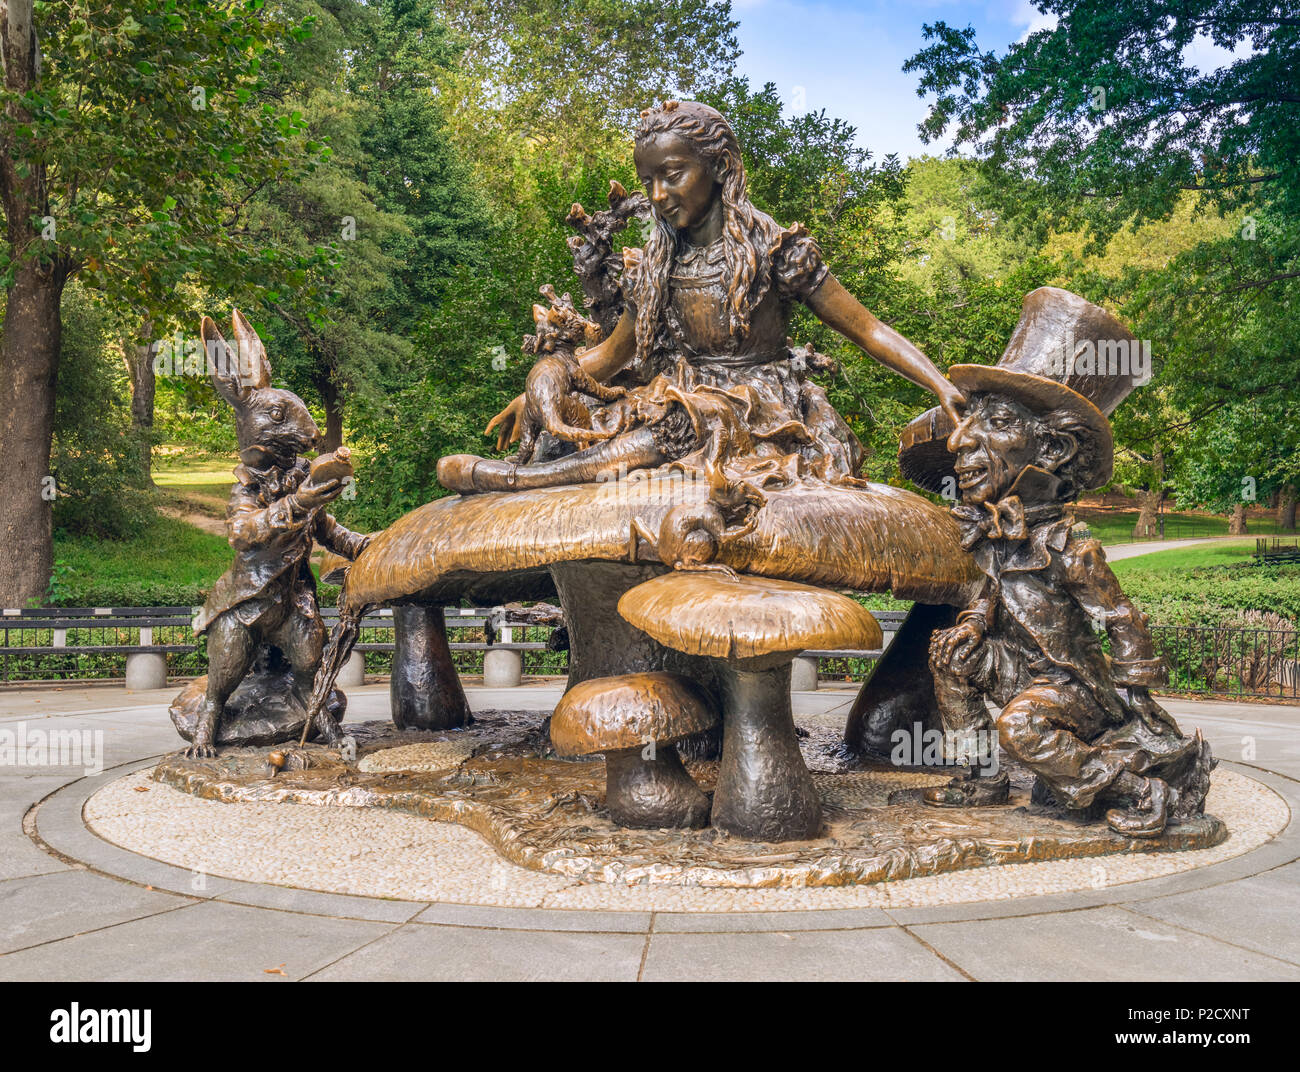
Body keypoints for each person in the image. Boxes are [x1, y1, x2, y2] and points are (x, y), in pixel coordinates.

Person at [437, 100, 962, 494]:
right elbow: (612, 355)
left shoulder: (777, 252)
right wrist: (544, 387)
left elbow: (868, 329)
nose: (658, 196)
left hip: (756, 405)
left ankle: (516, 483)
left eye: (672, 175)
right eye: (648, 182)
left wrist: (940, 384)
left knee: (689, 419)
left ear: (720, 168)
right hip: (681, 392)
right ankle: (541, 475)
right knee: (586, 417)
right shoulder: (659, 265)